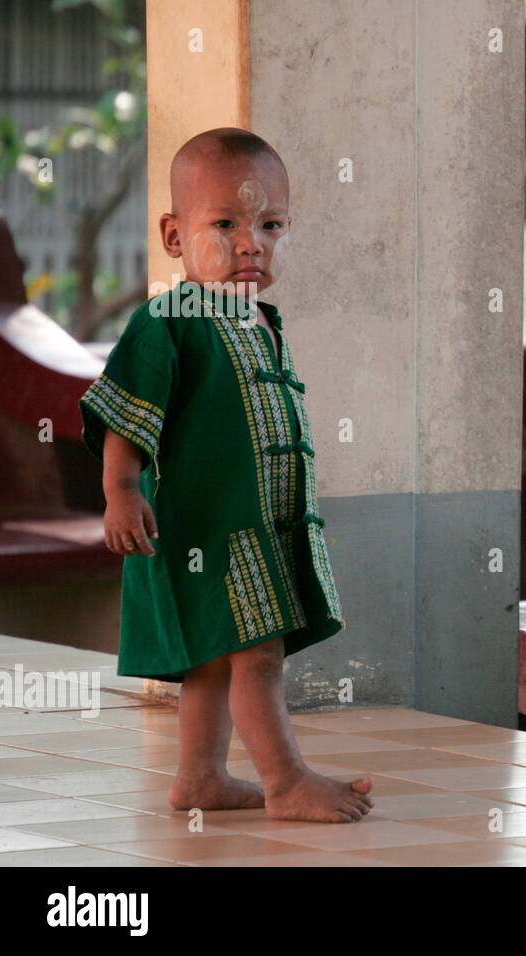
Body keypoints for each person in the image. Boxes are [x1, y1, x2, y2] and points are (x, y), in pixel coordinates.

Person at [80, 127, 374, 822]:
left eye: (271, 224)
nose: (252, 243)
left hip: (255, 527)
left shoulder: (256, 321)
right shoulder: (169, 321)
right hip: (205, 531)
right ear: (175, 237)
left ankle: (200, 779)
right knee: (259, 652)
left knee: (213, 660)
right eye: (226, 224)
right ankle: (285, 780)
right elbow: (126, 416)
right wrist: (121, 491)